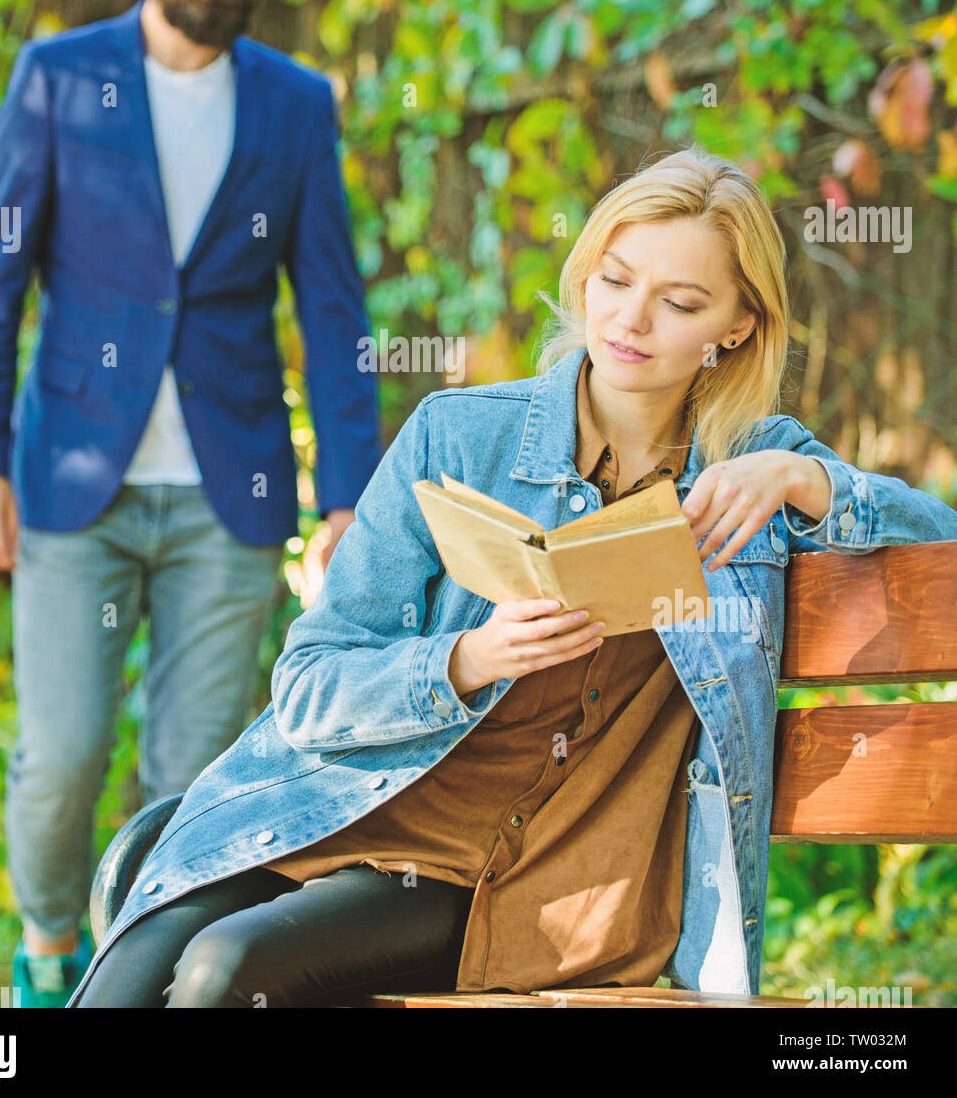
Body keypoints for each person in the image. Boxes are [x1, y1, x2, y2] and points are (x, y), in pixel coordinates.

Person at [67, 147, 957, 1008]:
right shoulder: (457, 436)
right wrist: (464, 661)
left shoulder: (755, 473)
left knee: (228, 967)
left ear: (737, 325)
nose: (630, 322)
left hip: (533, 884)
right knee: (145, 951)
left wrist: (814, 483)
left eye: (678, 302)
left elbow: (939, 556)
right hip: (343, 811)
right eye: (615, 281)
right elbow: (308, 686)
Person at [0, 0, 382, 1005]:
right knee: (61, 760)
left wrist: (351, 496)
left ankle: (136, 987)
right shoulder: (54, 77)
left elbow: (333, 308)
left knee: (191, 775)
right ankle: (48, 959)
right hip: (70, 481)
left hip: (230, 495)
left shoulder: (294, 103)